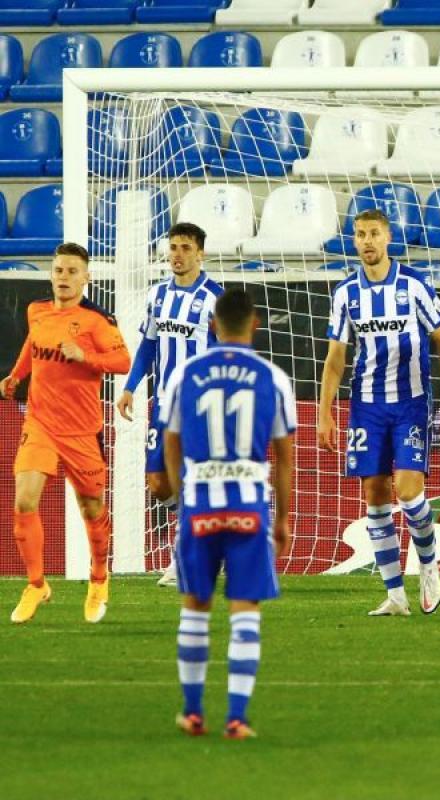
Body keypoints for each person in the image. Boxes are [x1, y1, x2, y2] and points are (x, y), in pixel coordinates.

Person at [160, 288, 295, 739]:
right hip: (248, 506)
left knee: (195, 608)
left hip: (199, 504)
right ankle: (236, 717)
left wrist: (184, 493)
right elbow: (285, 457)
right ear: (255, 323)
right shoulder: (272, 377)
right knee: (245, 610)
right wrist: (283, 519)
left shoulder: (186, 372)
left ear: (213, 324)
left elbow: (171, 442)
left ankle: (192, 712)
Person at [317, 209, 440, 616]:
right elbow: (335, 358)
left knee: (409, 491)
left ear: (388, 237)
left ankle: (428, 566)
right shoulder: (346, 293)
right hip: (366, 406)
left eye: (374, 234)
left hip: (411, 402)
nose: (367, 241)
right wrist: (325, 412)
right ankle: (396, 595)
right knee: (375, 496)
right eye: (360, 234)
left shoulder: (414, 285)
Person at [1, 243, 130, 624]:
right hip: (40, 423)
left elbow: (122, 361)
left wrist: (85, 356)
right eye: (59, 270)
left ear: (86, 278)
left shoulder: (97, 321)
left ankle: (99, 578)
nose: (64, 277)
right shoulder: (36, 310)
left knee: (92, 508)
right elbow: (33, 344)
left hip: (82, 432)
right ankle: (36, 584)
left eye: (72, 271)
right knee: (24, 502)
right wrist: (16, 375)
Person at [117, 222, 223, 587]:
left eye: (185, 248)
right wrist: (130, 387)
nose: (177, 255)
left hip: (199, 405)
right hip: (162, 403)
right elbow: (148, 344)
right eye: (173, 247)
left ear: (200, 253)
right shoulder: (157, 295)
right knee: (158, 483)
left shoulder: (215, 298)